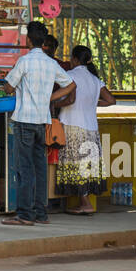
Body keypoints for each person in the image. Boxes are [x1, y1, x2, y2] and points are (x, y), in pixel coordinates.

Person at [0, 21, 76, 225]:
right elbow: (70, 85)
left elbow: (8, 88)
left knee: (24, 168)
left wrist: (5, 84)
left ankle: (25, 214)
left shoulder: (24, 61)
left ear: (29, 40)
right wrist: (50, 98)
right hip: (42, 122)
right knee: (40, 168)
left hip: (24, 120)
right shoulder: (51, 63)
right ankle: (41, 213)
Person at [56, 45, 113, 214]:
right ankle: (85, 202)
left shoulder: (70, 75)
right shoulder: (95, 80)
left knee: (76, 164)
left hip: (73, 126)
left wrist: (54, 104)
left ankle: (85, 204)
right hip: (91, 128)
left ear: (74, 59)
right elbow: (111, 100)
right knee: (87, 165)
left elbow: (68, 100)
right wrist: (91, 103)